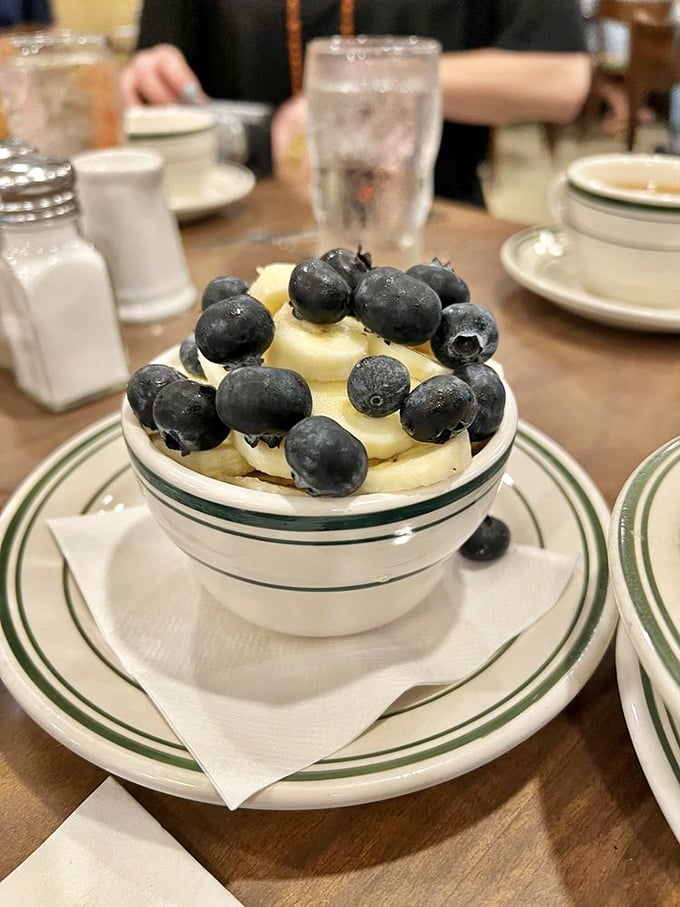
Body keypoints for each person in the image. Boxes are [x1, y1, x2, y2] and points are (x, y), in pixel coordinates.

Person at [121, 0, 590, 207]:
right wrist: (149, 78)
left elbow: (561, 79)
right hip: (241, 225)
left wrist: (357, 79)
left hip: (430, 228)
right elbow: (155, 66)